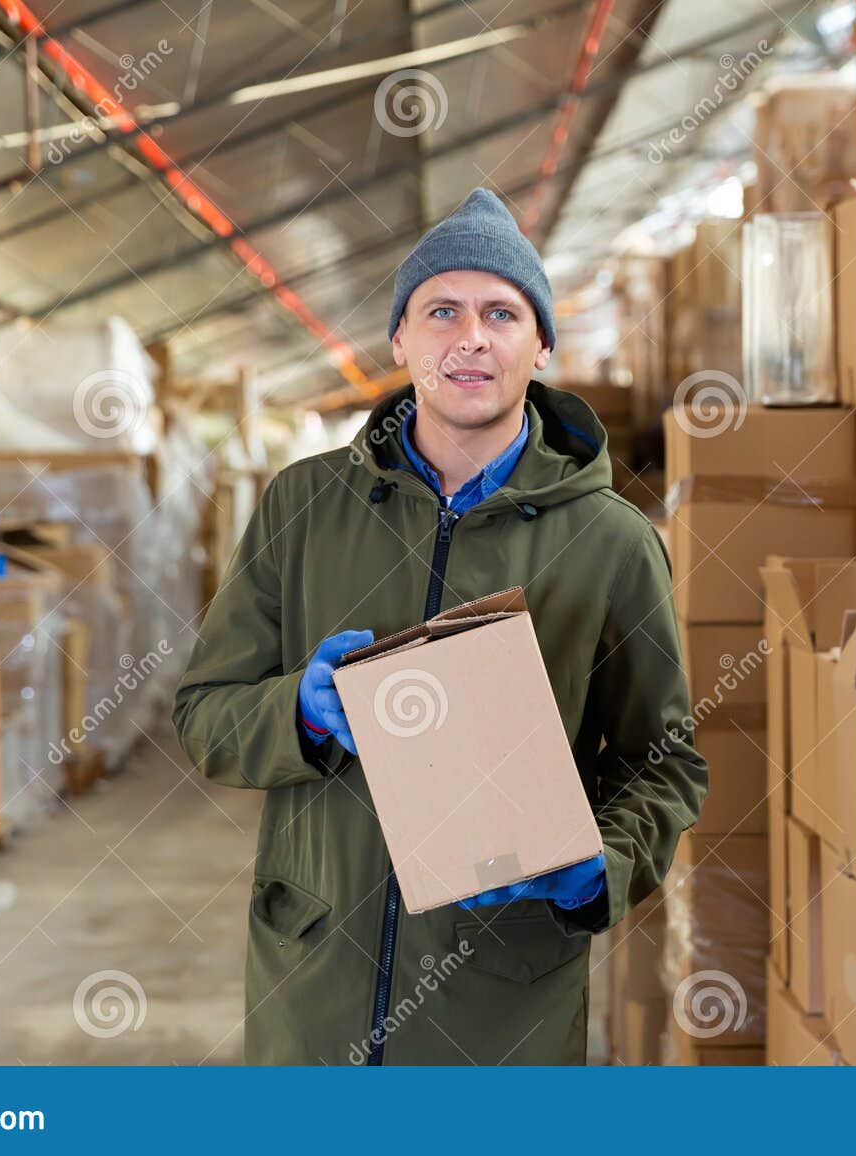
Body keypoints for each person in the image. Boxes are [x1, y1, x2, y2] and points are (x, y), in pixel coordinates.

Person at [173, 188, 707, 1065]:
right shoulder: (303, 506)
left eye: (502, 313)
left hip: (499, 1008)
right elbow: (205, 713)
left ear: (541, 346)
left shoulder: (610, 541)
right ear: (400, 340)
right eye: (442, 311)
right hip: (314, 990)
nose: (471, 338)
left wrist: (603, 864)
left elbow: (665, 761)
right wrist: (296, 712)